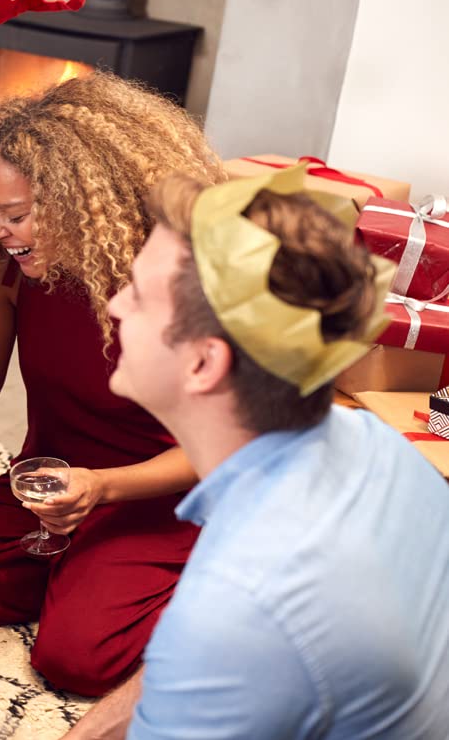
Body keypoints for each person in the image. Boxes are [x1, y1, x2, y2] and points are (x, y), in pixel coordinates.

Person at [65, 168, 449, 738]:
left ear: (203, 364)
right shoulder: (374, 445)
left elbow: (228, 630)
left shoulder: (237, 609)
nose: (117, 306)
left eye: (140, 295)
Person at [0, 73, 225, 695]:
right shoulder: (8, 271)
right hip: (50, 487)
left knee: (76, 661)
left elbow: (216, 450)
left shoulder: (183, 286)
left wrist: (101, 488)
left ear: (84, 203)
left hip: (159, 499)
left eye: (15, 215)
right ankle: (86, 574)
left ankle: (205, 583)